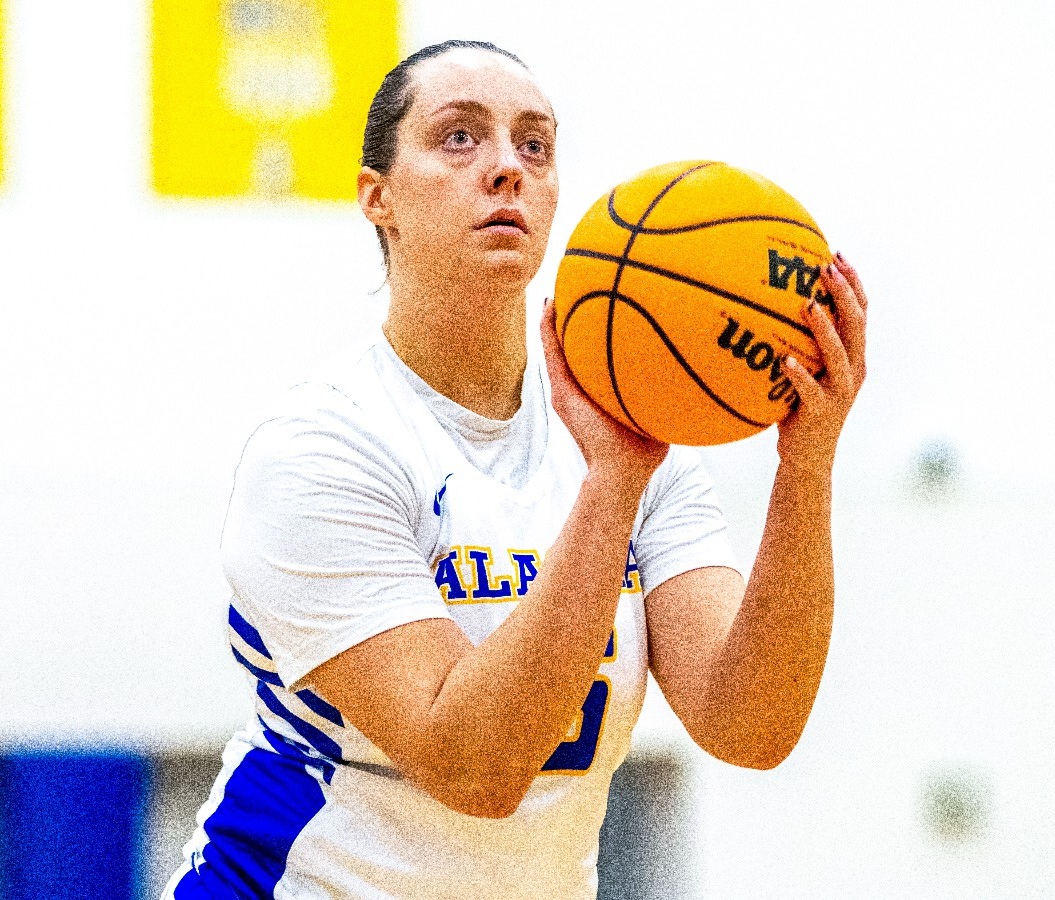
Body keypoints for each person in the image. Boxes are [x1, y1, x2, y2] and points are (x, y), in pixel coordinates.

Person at [164, 38, 868, 900]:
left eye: (533, 144)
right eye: (459, 136)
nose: (506, 167)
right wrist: (611, 487)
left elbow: (750, 723)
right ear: (376, 197)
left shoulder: (629, 427)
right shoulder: (323, 447)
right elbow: (475, 770)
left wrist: (807, 456)